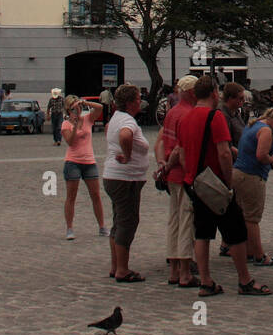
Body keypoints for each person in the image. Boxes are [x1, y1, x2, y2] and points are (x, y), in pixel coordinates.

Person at [174, 77, 269, 298]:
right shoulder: (214, 116)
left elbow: (181, 152)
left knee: (202, 233)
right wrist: (228, 181)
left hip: (196, 183)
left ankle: (206, 281)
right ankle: (245, 280)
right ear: (215, 93)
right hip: (215, 182)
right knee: (235, 232)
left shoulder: (186, 118)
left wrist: (191, 177)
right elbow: (224, 152)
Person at [103, 84, 149, 282]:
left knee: (118, 220)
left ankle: (116, 266)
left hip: (114, 176)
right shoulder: (128, 121)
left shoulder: (116, 118)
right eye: (138, 98)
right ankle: (122, 268)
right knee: (128, 222)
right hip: (125, 178)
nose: (140, 101)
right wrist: (128, 156)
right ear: (131, 102)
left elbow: (110, 131)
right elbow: (125, 135)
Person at [157, 75, 200, 287]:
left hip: (171, 176)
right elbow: (178, 149)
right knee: (186, 222)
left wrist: (163, 165)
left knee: (173, 220)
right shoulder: (189, 114)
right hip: (183, 174)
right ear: (192, 92)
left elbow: (163, 141)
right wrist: (170, 164)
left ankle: (174, 269)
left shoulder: (172, 112)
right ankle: (184, 272)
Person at [232, 106, 273, 267]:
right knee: (252, 218)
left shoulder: (253, 125)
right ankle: (258, 255)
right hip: (251, 176)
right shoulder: (265, 131)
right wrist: (272, 160)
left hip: (239, 173)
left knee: (244, 215)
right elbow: (261, 155)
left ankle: (247, 250)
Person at [60, 95, 107, 240]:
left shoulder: (88, 119)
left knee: (96, 195)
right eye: (74, 107)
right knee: (71, 197)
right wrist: (75, 125)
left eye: (78, 106)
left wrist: (85, 102)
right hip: (73, 162)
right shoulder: (66, 124)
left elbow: (100, 108)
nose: (77, 109)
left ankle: (102, 226)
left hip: (89, 162)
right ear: (69, 109)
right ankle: (69, 228)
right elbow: (70, 142)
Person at [216, 82, 249, 257]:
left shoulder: (236, 113)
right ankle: (228, 242)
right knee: (232, 204)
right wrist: (243, 154)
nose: (242, 102)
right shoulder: (222, 114)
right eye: (240, 98)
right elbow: (226, 144)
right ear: (230, 99)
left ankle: (227, 241)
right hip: (232, 162)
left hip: (239, 159)